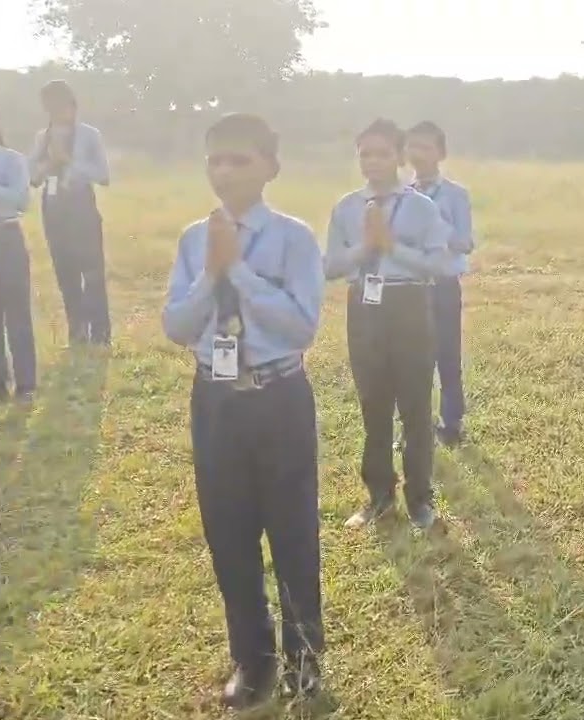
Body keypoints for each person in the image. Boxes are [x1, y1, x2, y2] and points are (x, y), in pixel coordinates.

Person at [162, 112, 326, 708]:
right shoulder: (191, 240)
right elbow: (177, 326)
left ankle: (305, 657)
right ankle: (251, 659)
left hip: (277, 394)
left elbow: (302, 324)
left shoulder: (293, 238)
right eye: (215, 160)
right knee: (227, 531)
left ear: (270, 167)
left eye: (239, 159)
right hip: (216, 398)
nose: (224, 171)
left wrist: (239, 271)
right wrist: (210, 273)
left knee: (292, 530)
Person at [325, 119, 452, 531]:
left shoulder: (420, 207)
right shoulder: (346, 207)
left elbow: (437, 263)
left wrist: (392, 247)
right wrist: (367, 247)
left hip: (408, 302)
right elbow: (330, 266)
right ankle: (379, 497)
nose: (373, 161)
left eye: (382, 153)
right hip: (364, 304)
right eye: (365, 153)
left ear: (399, 157)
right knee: (373, 406)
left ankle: (420, 500)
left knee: (415, 406)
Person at [405, 120, 474, 447]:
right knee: (409, 358)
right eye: (413, 146)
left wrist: (434, 225)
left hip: (443, 284)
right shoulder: (400, 194)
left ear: (441, 153)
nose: (418, 154)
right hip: (408, 287)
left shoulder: (455, 195)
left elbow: (465, 241)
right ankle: (413, 426)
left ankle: (451, 423)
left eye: (426, 147)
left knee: (447, 354)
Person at [27, 80, 111, 346]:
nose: (55, 113)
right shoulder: (43, 137)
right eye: (49, 108)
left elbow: (103, 176)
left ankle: (100, 334)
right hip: (53, 209)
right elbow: (32, 177)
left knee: (93, 272)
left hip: (81, 205)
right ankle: (77, 331)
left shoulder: (89, 135)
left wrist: (69, 162)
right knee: (65, 273)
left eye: (60, 106)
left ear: (72, 106)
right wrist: (48, 163)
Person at [0, 101, 36, 404]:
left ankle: (26, 385)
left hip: (5, 236)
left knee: (17, 315)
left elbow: (21, 201)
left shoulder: (12, 160)